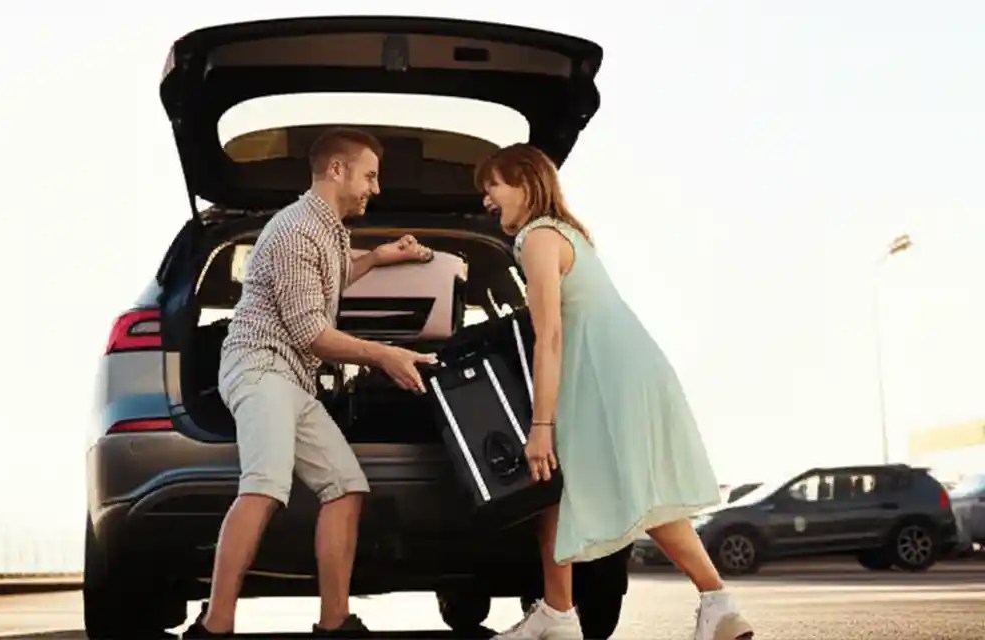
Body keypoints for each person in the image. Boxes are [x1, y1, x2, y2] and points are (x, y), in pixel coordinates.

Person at [476, 144, 755, 640]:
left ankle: (561, 615)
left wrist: (540, 426)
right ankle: (710, 603)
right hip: (630, 368)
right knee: (601, 495)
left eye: (492, 186)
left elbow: (550, 336)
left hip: (605, 378)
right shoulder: (570, 234)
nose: (486, 201)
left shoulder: (538, 237)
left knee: (591, 487)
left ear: (525, 181)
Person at [183, 127, 439, 638]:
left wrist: (382, 257)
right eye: (370, 175)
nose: (376, 188)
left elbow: (329, 281)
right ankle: (214, 627)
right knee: (265, 487)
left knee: (345, 487)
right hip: (260, 366)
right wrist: (385, 355)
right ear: (337, 170)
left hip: (292, 378)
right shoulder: (297, 229)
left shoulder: (328, 230)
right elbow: (311, 331)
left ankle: (334, 622)